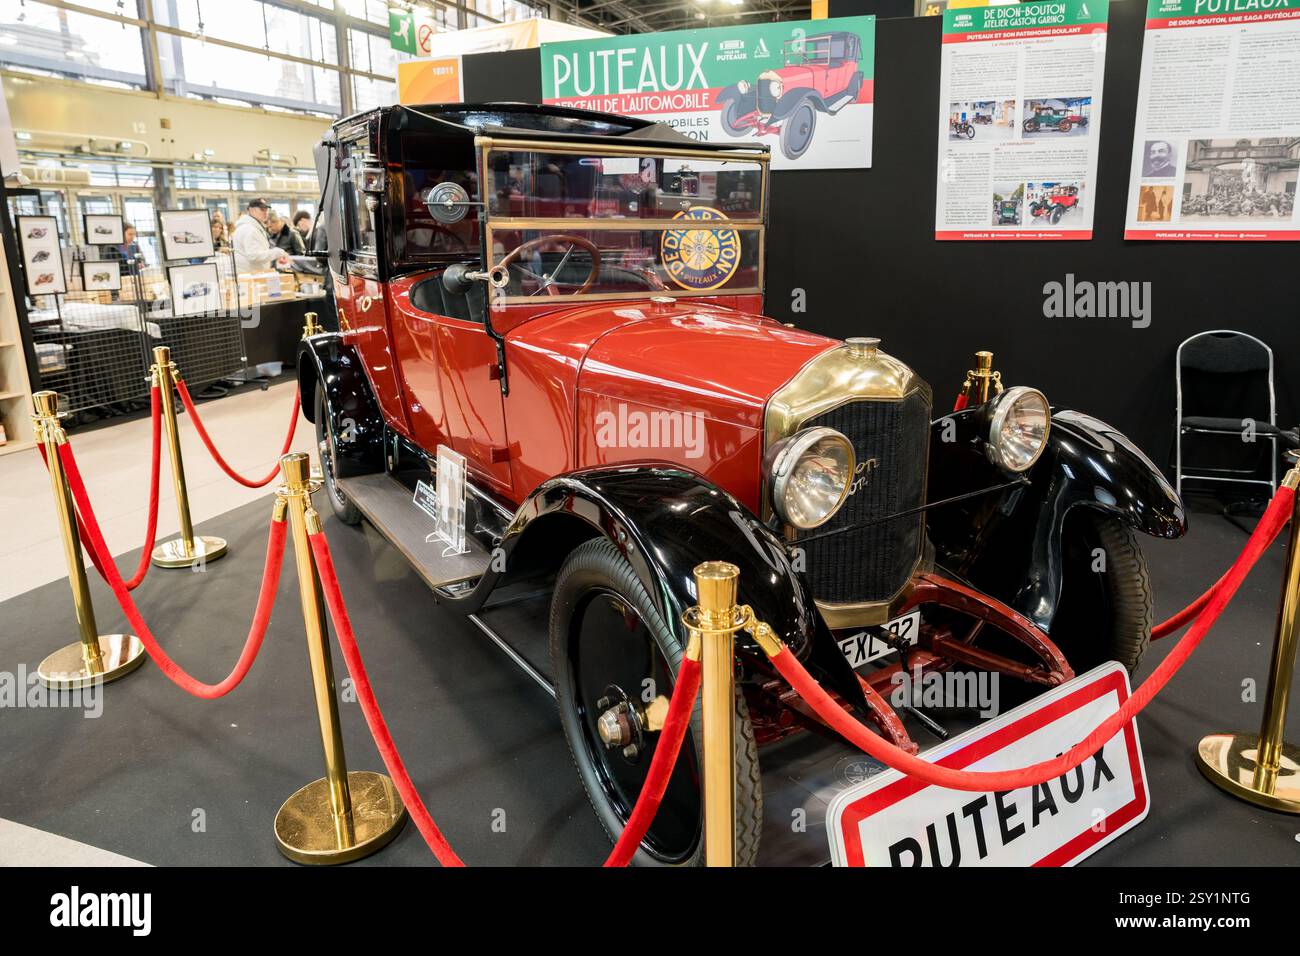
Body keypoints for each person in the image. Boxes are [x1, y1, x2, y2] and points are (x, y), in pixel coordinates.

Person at [231, 198, 289, 273]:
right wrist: (277, 252)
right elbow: (254, 256)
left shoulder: (253, 227)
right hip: (249, 274)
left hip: (252, 273)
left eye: (266, 210)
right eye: (262, 209)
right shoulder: (249, 229)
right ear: (251, 210)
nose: (265, 213)